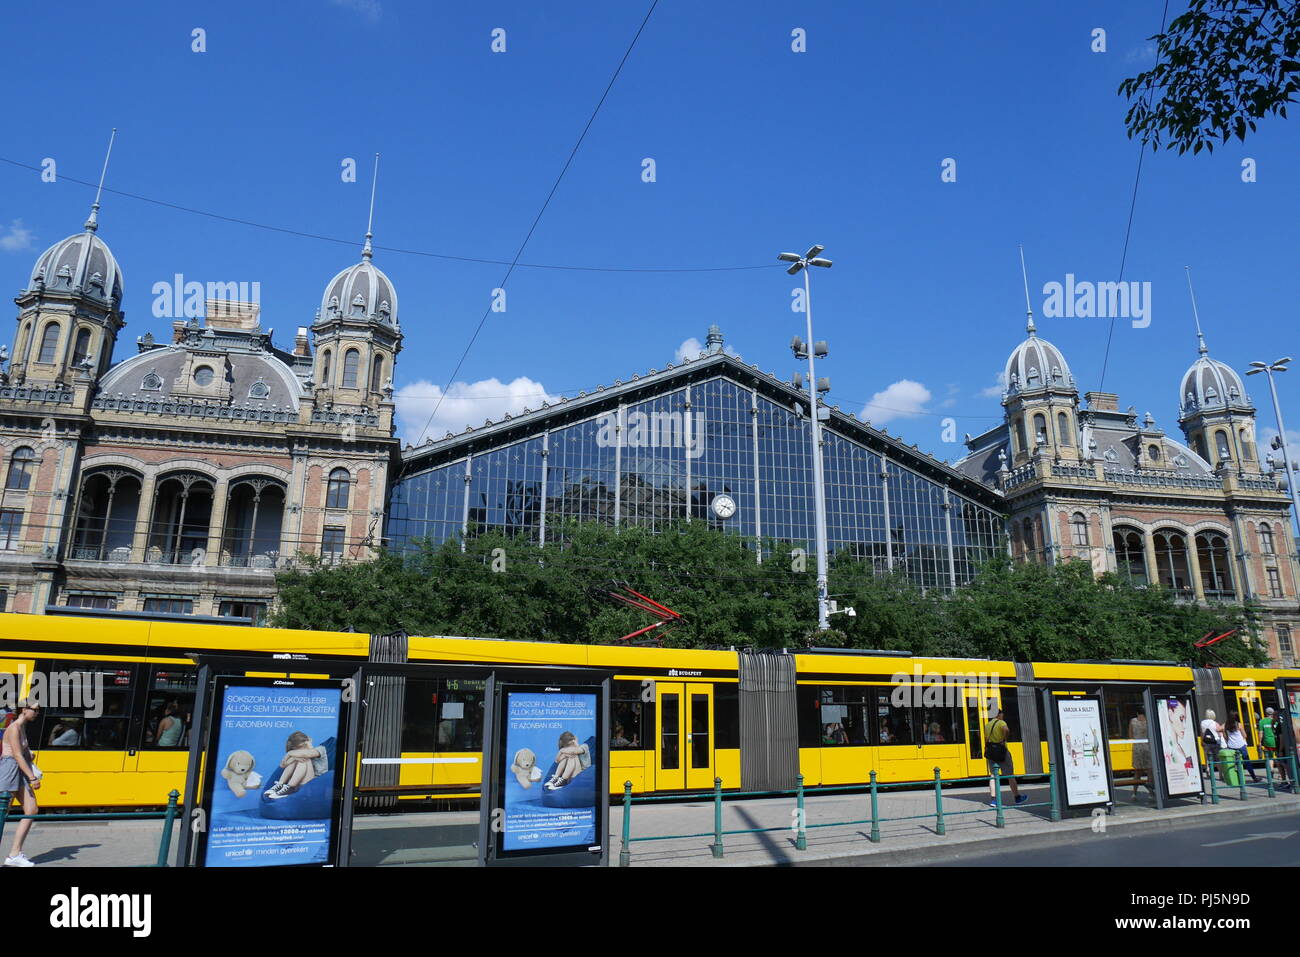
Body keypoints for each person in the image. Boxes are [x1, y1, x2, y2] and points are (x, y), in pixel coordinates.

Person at [2, 700, 41, 866]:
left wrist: (29, 755)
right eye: (35, 710)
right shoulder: (14, 728)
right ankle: (13, 855)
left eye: (38, 711)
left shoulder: (22, 728)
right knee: (2, 812)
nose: (37, 713)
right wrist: (32, 777)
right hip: (10, 769)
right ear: (24, 709)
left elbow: (23, 753)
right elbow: (16, 755)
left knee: (31, 809)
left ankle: (14, 854)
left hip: (19, 769)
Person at [265, 731, 328, 800]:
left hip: (313, 785)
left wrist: (289, 753)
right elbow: (283, 765)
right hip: (299, 783)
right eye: (298, 749)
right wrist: (293, 757)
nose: (302, 750)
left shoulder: (321, 749)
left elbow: (307, 754)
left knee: (305, 759)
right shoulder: (298, 754)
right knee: (296, 759)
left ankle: (290, 787)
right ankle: (280, 785)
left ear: (309, 740)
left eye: (304, 745)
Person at [984, 706, 1027, 807]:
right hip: (1002, 751)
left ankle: (993, 800)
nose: (1003, 715)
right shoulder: (1001, 722)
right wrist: (1004, 739)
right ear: (998, 714)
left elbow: (986, 739)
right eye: (1002, 713)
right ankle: (1017, 797)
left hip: (991, 752)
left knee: (993, 775)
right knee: (1010, 775)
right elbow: (1006, 730)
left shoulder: (987, 725)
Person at [1224, 712, 1257, 783]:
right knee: (1247, 762)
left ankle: (1236, 779)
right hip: (1241, 745)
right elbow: (1245, 735)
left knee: (1234, 763)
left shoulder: (1226, 725)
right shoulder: (1239, 725)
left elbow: (1225, 736)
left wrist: (1229, 741)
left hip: (1231, 746)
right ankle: (1254, 777)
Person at [1129, 712, 1150, 795]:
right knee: (1150, 771)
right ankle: (1151, 793)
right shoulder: (1148, 720)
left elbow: (1130, 735)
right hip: (1148, 747)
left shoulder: (1133, 721)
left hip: (1137, 748)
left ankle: (1134, 792)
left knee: (1137, 772)